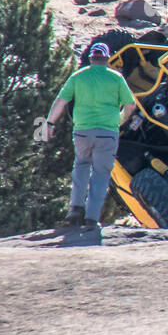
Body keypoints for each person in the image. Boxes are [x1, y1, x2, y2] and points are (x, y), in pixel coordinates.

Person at [44, 42, 139, 230]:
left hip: (82, 131)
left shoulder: (78, 77)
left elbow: (61, 101)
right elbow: (131, 105)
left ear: (91, 58)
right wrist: (119, 120)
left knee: (81, 167)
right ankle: (91, 219)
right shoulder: (116, 78)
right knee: (101, 175)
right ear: (107, 58)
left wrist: (49, 123)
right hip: (107, 133)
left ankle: (75, 210)